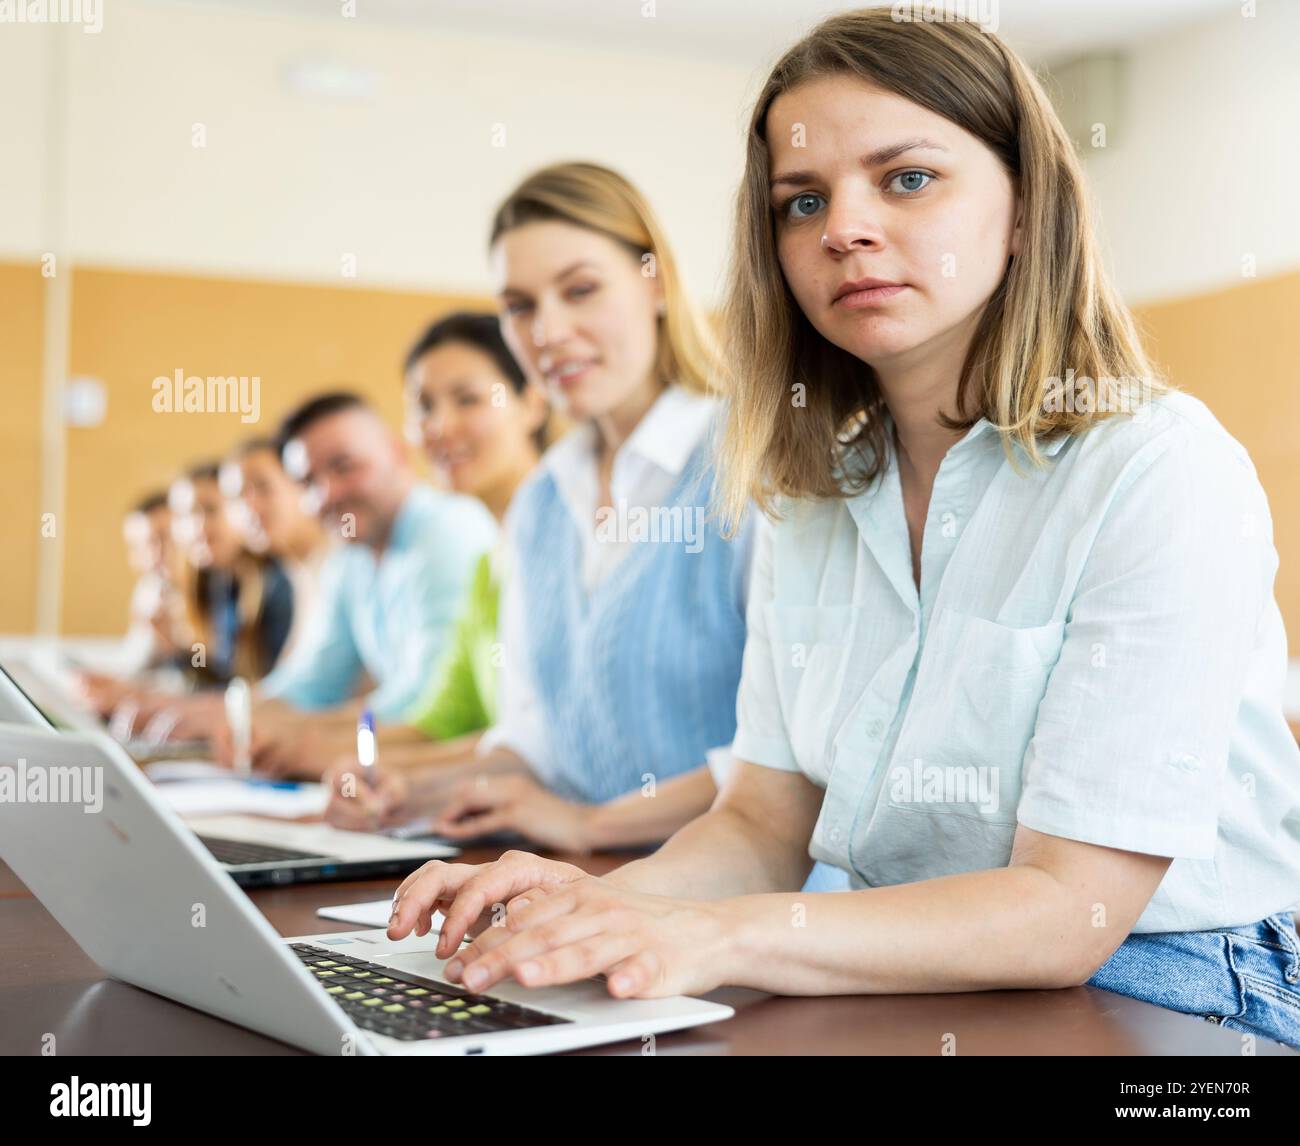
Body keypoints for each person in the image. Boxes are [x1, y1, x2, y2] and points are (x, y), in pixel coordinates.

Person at [385, 10, 1300, 1049]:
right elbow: (765, 821)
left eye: (906, 178)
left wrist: (719, 937)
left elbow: (1063, 914)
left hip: (1171, 990)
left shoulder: (1156, 468)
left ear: (1020, 209)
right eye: (803, 200)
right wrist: (611, 903)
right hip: (887, 965)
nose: (843, 228)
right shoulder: (809, 490)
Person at [316, 312, 549, 818]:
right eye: (423, 407)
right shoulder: (493, 563)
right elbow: (446, 719)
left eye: (467, 399)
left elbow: (553, 752)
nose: (439, 427)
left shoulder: (574, 546)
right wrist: (379, 774)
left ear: (533, 401)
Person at [246, 391, 498, 776]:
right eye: (308, 481)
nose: (326, 494)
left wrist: (316, 740)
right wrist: (236, 720)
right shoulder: (351, 559)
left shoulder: (448, 529)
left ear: (398, 454)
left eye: (344, 467)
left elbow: (428, 705)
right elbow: (313, 683)